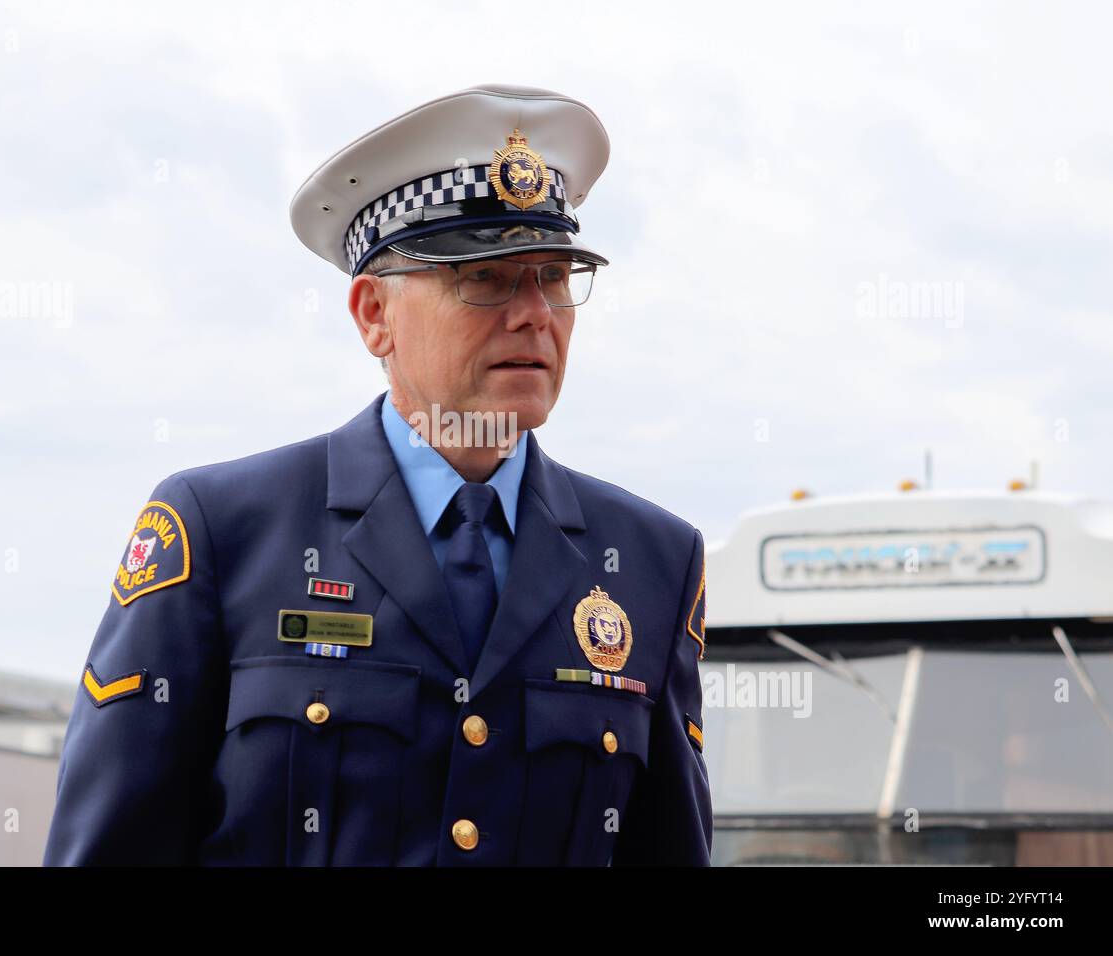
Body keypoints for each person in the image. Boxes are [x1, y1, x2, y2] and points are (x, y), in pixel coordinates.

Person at [43, 83, 712, 866]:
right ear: (372, 314)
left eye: (555, 276)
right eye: (488, 277)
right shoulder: (222, 532)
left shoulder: (651, 565)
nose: (536, 313)